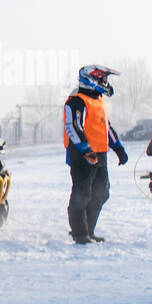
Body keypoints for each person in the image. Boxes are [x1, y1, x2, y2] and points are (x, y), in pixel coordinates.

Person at [63, 65, 128, 244]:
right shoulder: (77, 101)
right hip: (81, 153)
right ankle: (79, 234)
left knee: (102, 192)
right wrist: (85, 149)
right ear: (92, 79)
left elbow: (106, 127)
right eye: (104, 79)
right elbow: (73, 127)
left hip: (100, 153)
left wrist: (118, 148)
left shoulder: (99, 101)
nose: (106, 83)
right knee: (82, 193)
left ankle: (88, 230)